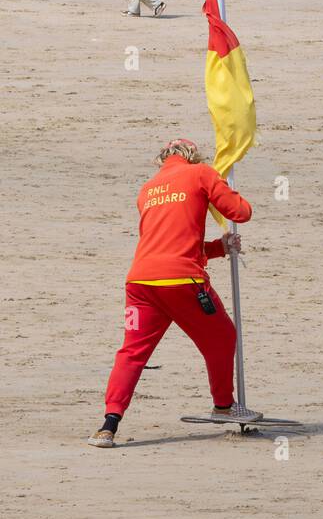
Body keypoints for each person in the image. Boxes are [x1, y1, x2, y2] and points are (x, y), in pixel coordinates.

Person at [88, 138, 259, 448]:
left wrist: (219, 248)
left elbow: (167, 244)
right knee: (222, 338)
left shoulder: (147, 190)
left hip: (141, 283)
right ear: (192, 157)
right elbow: (241, 212)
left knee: (131, 354)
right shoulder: (200, 173)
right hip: (183, 283)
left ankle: (108, 425)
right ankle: (223, 405)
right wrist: (228, 189)